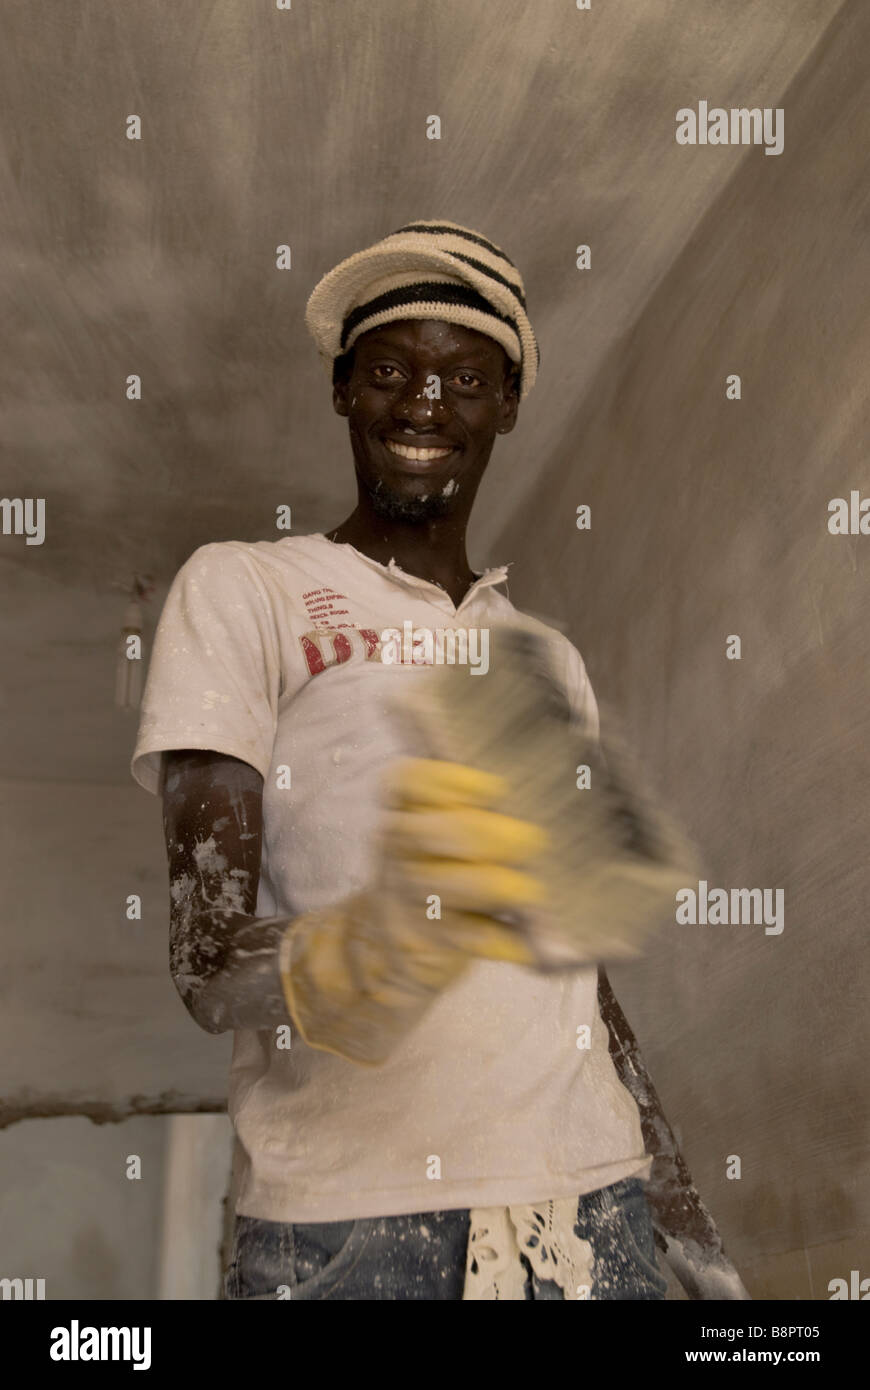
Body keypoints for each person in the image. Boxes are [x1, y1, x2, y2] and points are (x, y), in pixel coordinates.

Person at [131, 220, 671, 1300]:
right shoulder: (245, 587)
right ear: (343, 391)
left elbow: (587, 986)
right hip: (350, 1226)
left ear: (507, 407)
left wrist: (686, 1225)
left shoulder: (544, 660)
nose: (425, 403)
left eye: (466, 377)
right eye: (390, 370)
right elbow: (205, 961)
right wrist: (389, 934)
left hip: (597, 1208)